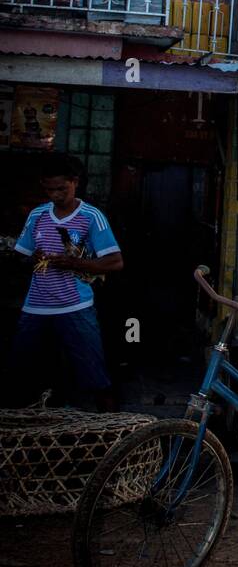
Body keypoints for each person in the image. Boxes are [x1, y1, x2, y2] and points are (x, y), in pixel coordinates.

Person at [4, 154, 123, 411]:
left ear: (74, 182)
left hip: (75, 307)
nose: (55, 195)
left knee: (95, 374)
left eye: (61, 188)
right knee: (18, 372)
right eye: (49, 189)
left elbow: (115, 262)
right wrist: (33, 258)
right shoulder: (37, 215)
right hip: (35, 306)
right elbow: (20, 257)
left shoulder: (92, 217)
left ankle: (114, 432)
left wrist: (74, 263)